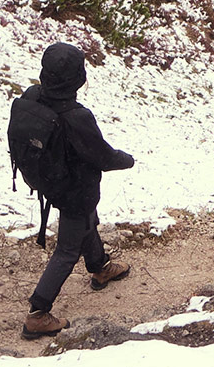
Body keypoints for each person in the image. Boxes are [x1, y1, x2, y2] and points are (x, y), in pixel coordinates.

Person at [10, 43, 136, 337]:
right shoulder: (76, 117)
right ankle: (38, 313)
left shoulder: (32, 98)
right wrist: (127, 160)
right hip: (75, 189)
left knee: (85, 223)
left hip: (50, 182)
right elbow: (103, 157)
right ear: (76, 79)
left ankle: (100, 267)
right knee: (67, 249)